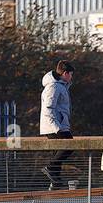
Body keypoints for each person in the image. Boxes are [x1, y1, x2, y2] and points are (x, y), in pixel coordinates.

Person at [39, 60, 74, 190]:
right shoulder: (53, 87)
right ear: (65, 73)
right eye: (70, 74)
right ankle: (50, 168)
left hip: (59, 124)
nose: (71, 77)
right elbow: (48, 108)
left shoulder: (61, 86)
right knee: (69, 145)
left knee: (57, 152)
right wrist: (57, 127)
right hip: (54, 126)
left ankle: (56, 182)